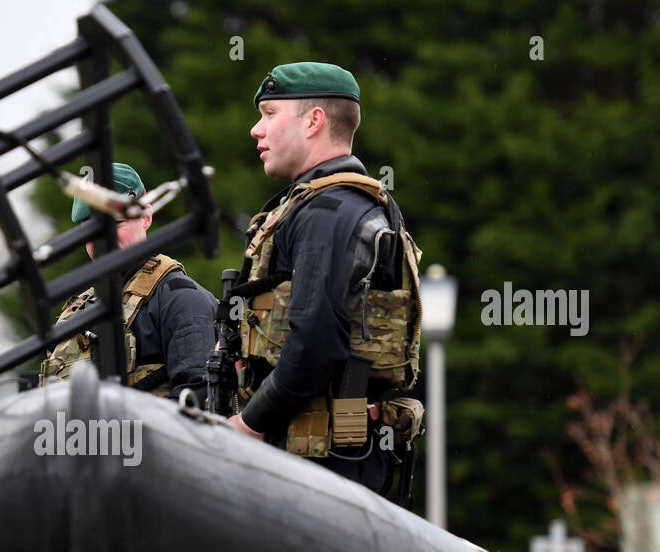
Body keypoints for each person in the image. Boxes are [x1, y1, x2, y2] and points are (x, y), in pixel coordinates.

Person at [222, 62, 424, 496]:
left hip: (320, 456)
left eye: (269, 114)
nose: (256, 130)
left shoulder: (328, 211)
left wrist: (249, 424)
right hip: (328, 449)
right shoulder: (345, 204)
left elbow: (315, 343)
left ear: (313, 121)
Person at [39, 163, 217, 403]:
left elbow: (198, 403)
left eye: (117, 225)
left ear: (146, 217)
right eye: (91, 232)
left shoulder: (181, 299)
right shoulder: (77, 312)